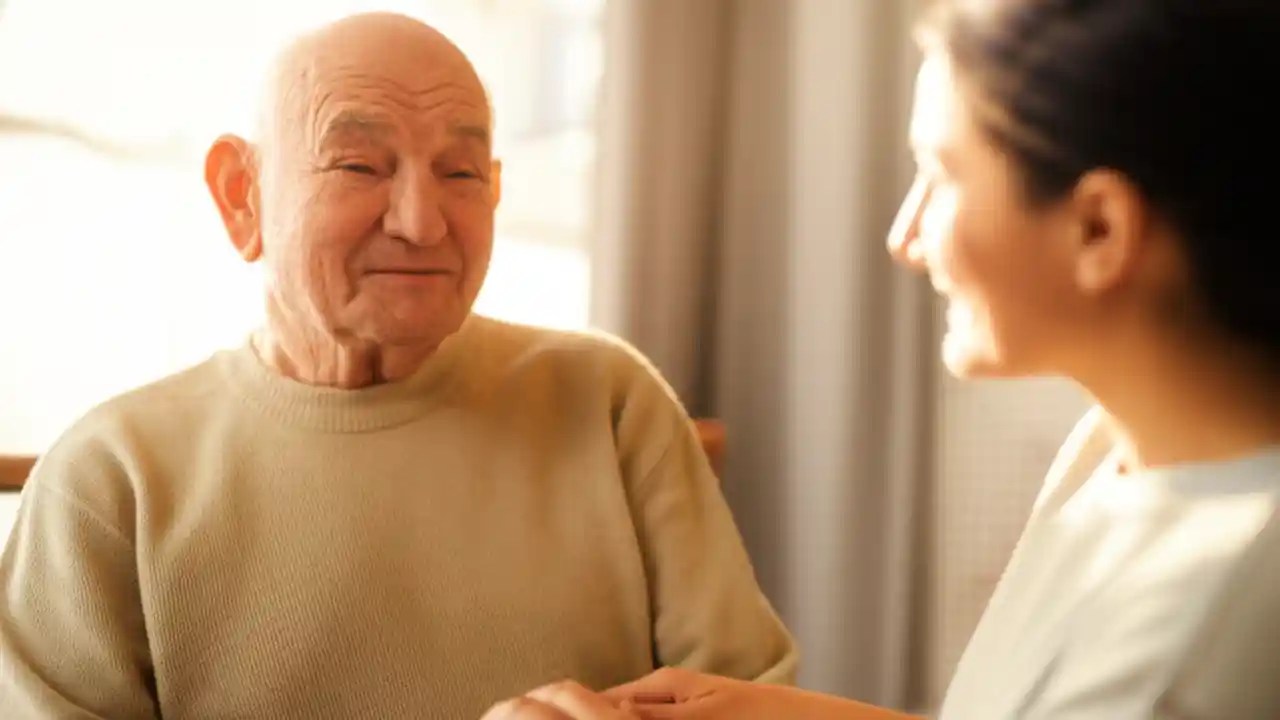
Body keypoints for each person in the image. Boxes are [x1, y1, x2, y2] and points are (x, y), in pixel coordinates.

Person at [480, 0, 1280, 717]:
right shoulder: (1128, 440)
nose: (906, 237)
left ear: (1099, 229)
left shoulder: (1197, 650)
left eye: (942, 175)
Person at [0, 12, 797, 719]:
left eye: (459, 174)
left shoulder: (609, 403)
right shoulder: (111, 478)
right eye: (359, 167)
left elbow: (757, 706)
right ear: (242, 196)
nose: (421, 224)